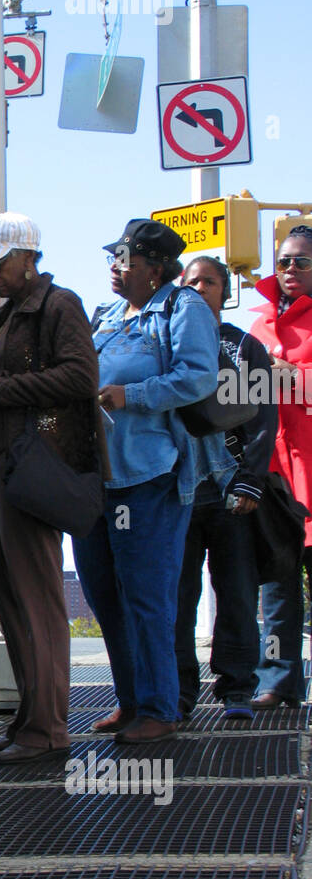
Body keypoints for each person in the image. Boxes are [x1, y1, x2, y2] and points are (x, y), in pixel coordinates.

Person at [73, 219, 235, 743]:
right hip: (99, 478)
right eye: (113, 259)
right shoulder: (108, 316)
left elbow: (197, 377)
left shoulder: (182, 308)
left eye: (125, 260)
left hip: (151, 477)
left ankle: (161, 708)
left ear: (156, 267)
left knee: (147, 597)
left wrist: (131, 395)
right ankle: (130, 701)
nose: (114, 269)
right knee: (104, 594)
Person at [0, 212, 101, 764]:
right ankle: (30, 717)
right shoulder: (10, 312)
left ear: (28, 255)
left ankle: (47, 728)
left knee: (35, 598)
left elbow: (83, 378)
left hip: (27, 466)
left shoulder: (59, 305)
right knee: (10, 597)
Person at [174, 256, 276, 724]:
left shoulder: (243, 347)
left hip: (231, 486)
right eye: (191, 282)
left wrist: (251, 478)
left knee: (235, 591)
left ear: (225, 290)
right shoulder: (167, 344)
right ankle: (177, 691)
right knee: (176, 596)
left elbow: (263, 420)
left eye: (209, 282)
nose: (199, 289)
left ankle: (237, 687)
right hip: (176, 488)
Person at [248, 224, 312, 708]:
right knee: (277, 581)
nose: (290, 269)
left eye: (301, 262)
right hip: (273, 474)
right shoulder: (259, 324)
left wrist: (294, 377)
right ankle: (277, 681)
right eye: (284, 261)